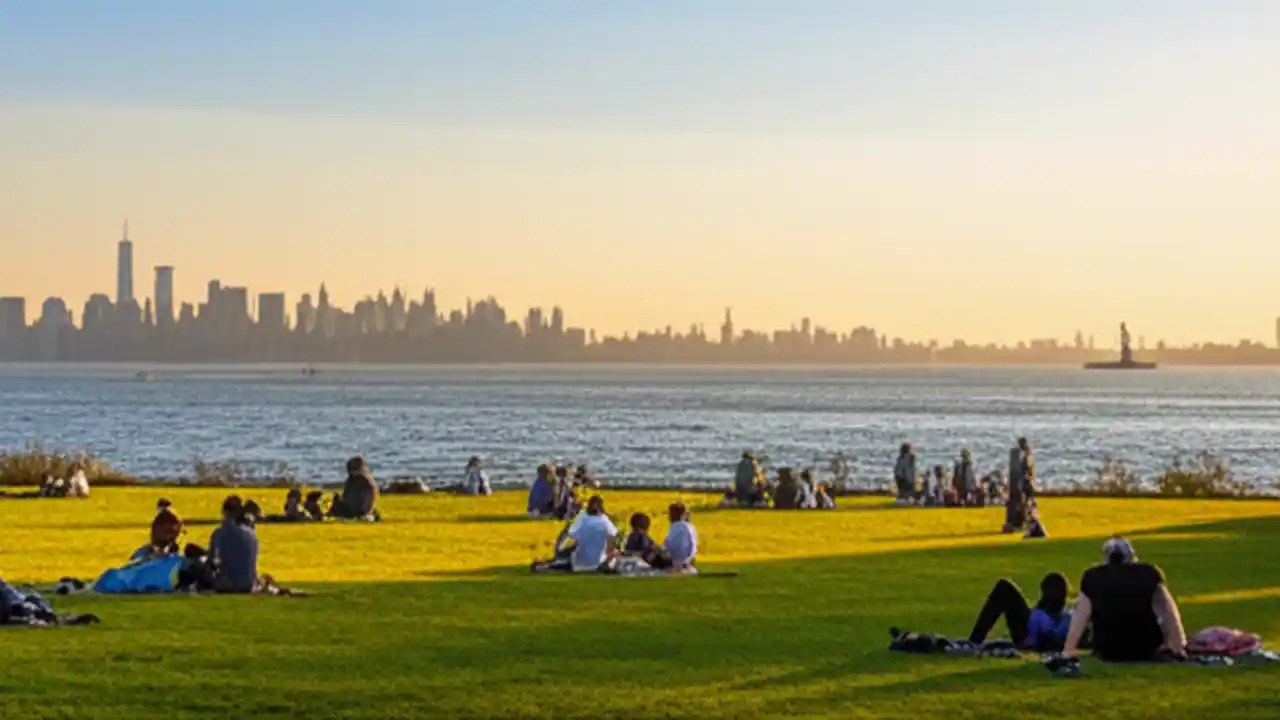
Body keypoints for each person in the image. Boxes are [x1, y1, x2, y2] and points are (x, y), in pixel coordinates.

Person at [1063, 537, 1187, 662]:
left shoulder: (1093, 578)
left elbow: (1081, 615)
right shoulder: (1149, 574)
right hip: (1146, 648)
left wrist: (1068, 650)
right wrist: (1178, 647)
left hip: (1107, 650)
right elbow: (1168, 613)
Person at [968, 573, 1074, 652]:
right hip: (1035, 634)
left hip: (1029, 634)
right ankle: (975, 640)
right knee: (1004, 588)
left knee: (1004, 587)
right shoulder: (1067, 617)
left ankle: (975, 640)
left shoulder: (1049, 618)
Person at [209, 495, 260, 593]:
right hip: (250, 584)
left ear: (225, 513)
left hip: (228, 585)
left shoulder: (220, 532)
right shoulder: (251, 533)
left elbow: (212, 561)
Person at [566, 495, 618, 572]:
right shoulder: (604, 520)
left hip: (578, 565)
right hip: (598, 564)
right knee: (615, 552)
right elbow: (613, 535)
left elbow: (572, 534)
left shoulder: (582, 517)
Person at [663, 502, 698, 573]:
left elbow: (677, 549)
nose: (669, 516)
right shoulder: (689, 526)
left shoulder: (678, 527)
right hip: (688, 564)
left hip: (678, 566)